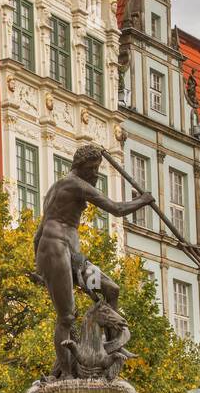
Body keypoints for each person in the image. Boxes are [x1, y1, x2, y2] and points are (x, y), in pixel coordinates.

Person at [34, 144, 153, 377]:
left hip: (74, 256)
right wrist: (143, 200)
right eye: (94, 168)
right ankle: (66, 374)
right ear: (82, 167)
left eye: (98, 168)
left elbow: (36, 235)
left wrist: (39, 266)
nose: (96, 174)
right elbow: (116, 209)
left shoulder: (61, 188)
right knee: (67, 316)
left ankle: (110, 348)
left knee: (111, 289)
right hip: (55, 249)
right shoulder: (75, 185)